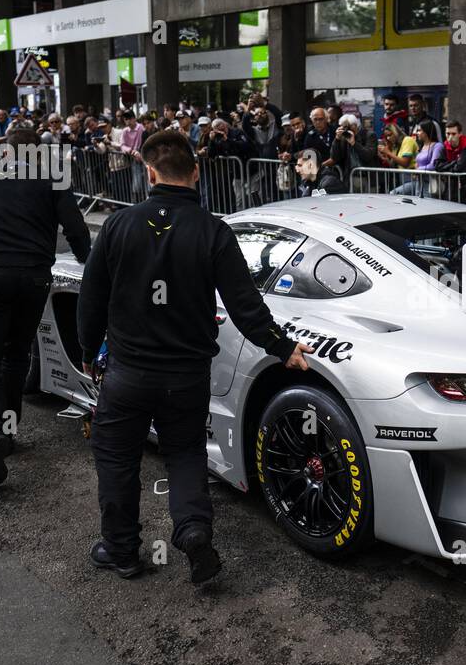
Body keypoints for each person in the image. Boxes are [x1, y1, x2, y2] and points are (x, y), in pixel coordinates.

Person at [77, 130, 312, 584]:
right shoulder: (214, 232)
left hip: (127, 373)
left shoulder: (118, 225)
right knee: (184, 454)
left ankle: (122, 550)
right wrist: (283, 348)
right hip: (185, 376)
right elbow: (246, 306)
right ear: (197, 171)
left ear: (149, 173)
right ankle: (193, 532)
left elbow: (91, 299)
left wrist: (89, 351)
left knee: (116, 458)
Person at [0, 127, 92, 488]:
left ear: (6, 150)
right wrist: (87, 262)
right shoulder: (51, 179)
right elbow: (76, 230)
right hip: (34, 278)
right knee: (16, 354)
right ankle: (8, 431)